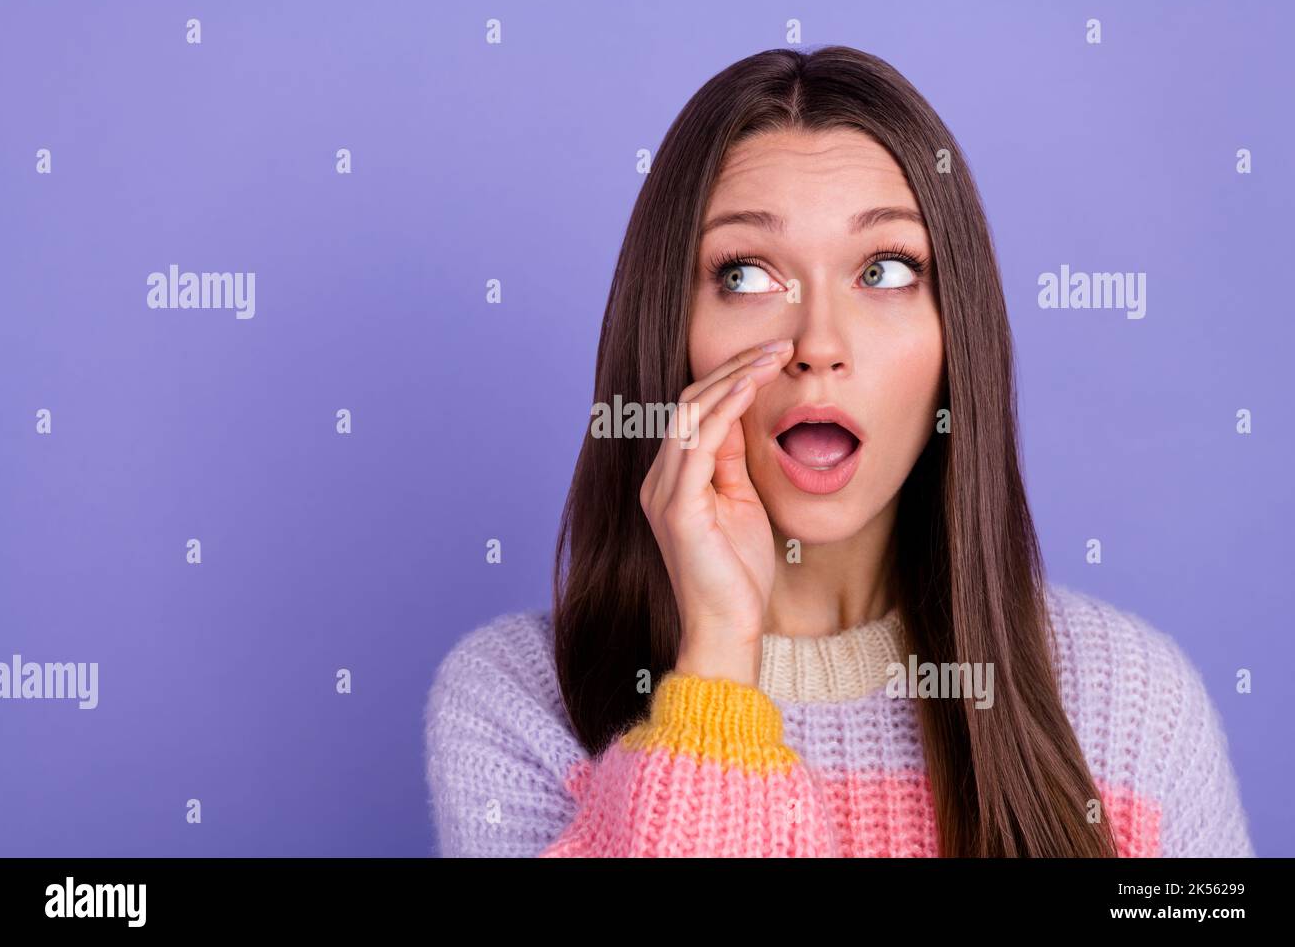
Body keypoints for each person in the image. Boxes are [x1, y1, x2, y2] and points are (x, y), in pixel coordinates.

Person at [424, 45, 1252, 858]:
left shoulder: (1132, 706)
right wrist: (718, 659)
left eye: (885, 270)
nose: (818, 344)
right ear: (667, 329)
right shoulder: (517, 700)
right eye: (745, 276)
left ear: (956, 336)